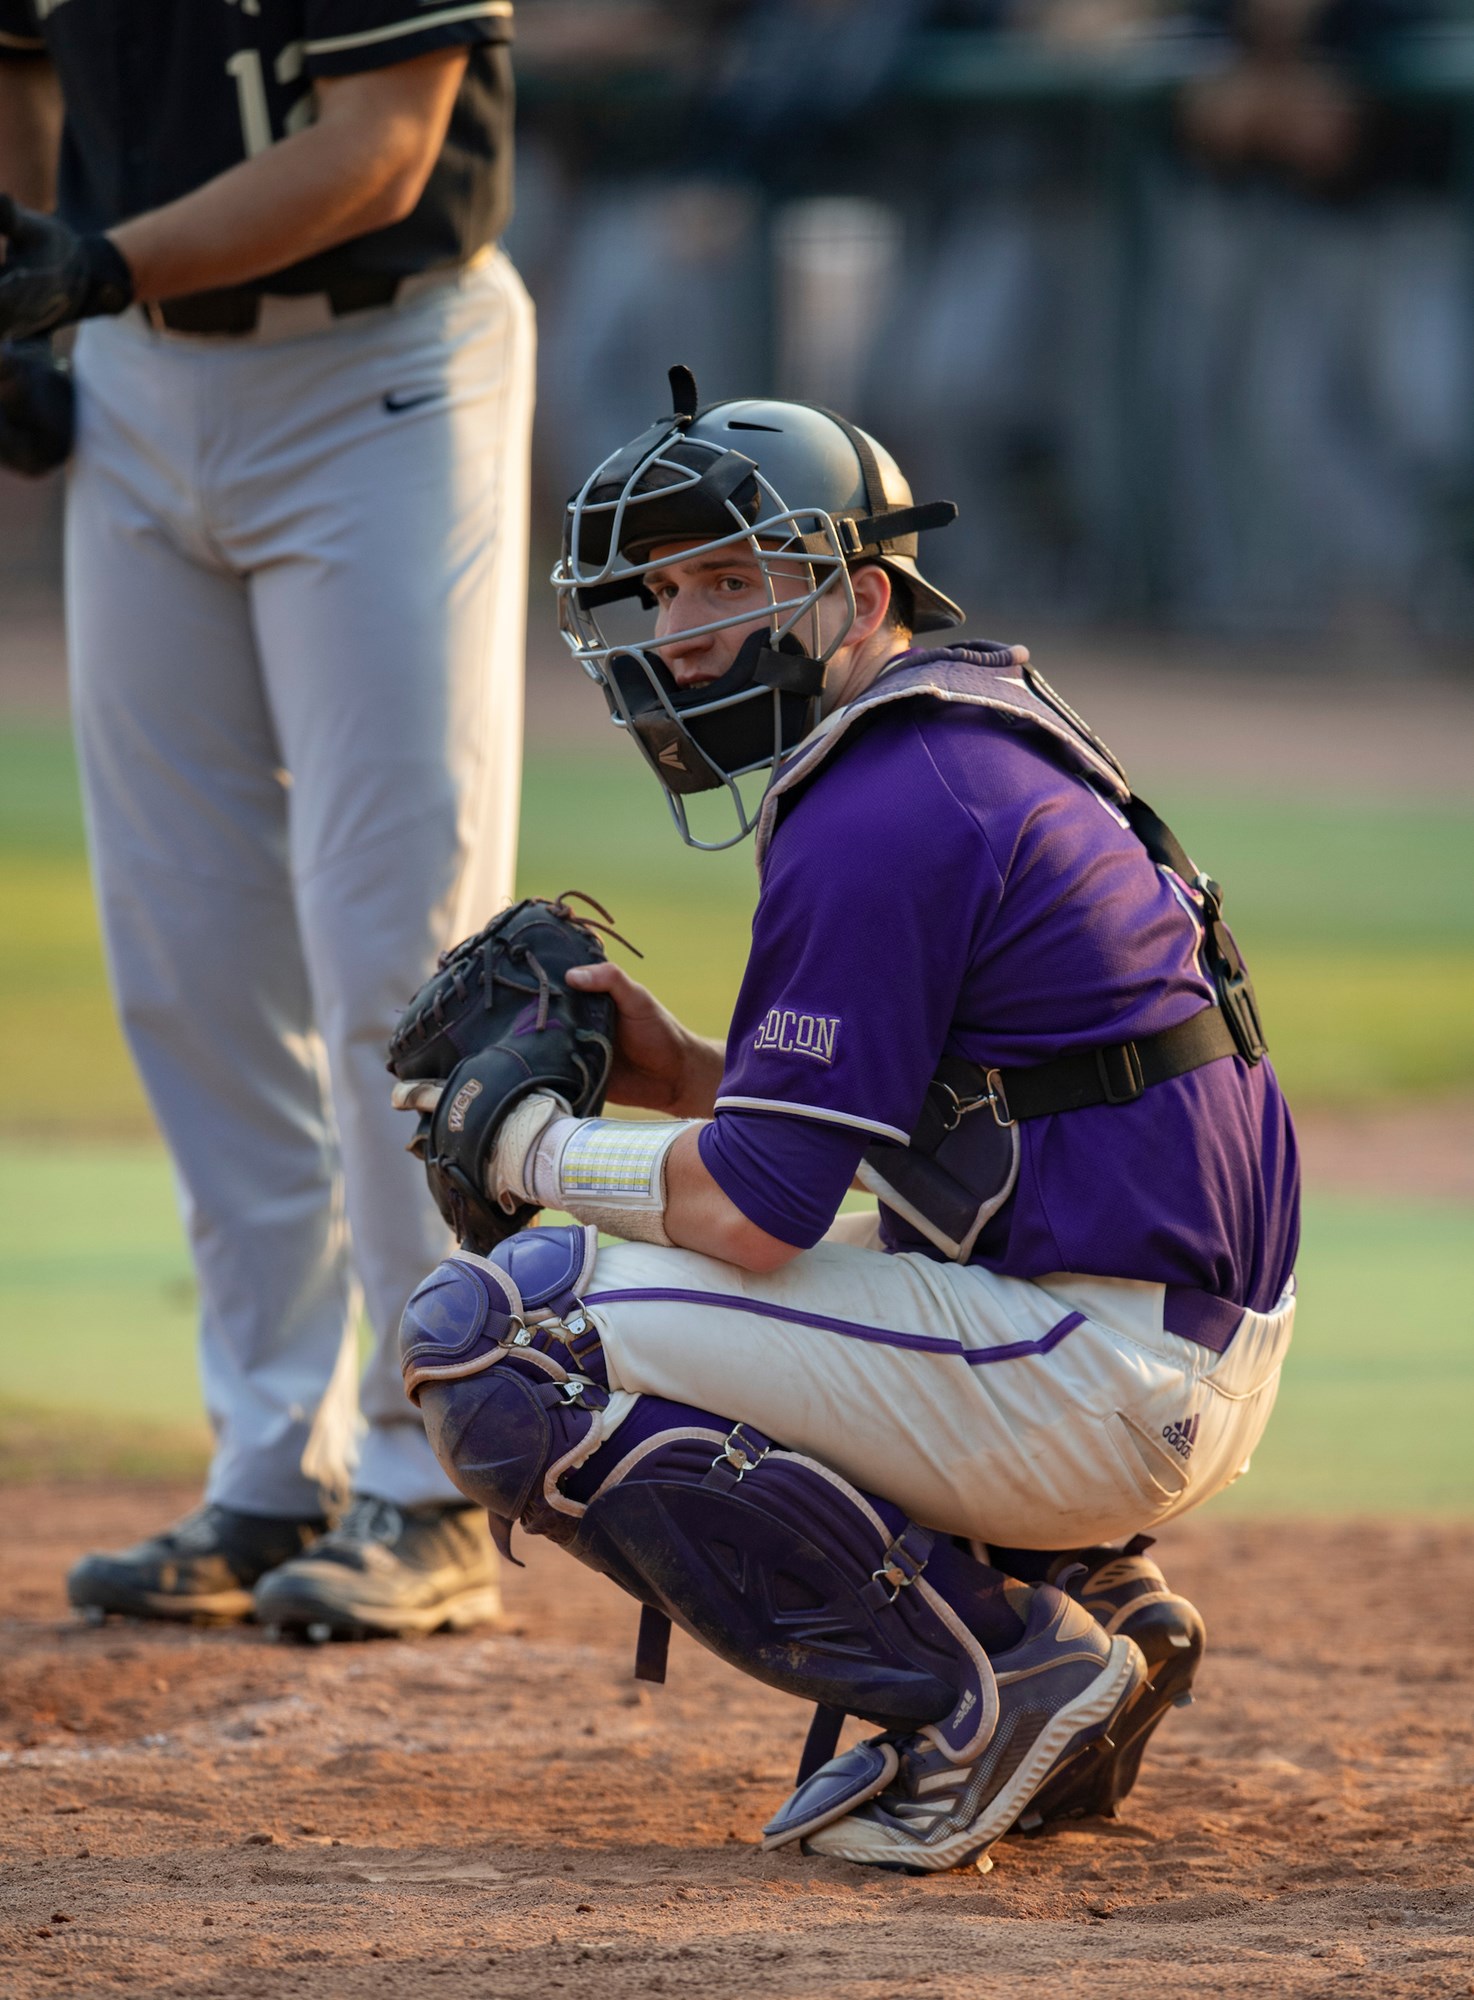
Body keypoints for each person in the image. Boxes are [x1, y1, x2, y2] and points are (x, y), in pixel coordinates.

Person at [404, 368, 1299, 1870]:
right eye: (663, 589)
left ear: (858, 591)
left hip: (1089, 1371)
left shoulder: (884, 802)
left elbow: (757, 1213)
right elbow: (896, 1113)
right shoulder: (961, 739)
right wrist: (681, 1067)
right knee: (663, 1281)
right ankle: (1095, 1605)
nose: (685, 629)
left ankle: (995, 1667)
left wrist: (526, 1151)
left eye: (732, 581)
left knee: (500, 1337)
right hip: (1142, 1344)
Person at [0, 2, 535, 1638]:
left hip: (381, 365)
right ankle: (265, 1465)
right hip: (147, 387)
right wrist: (31, 319)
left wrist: (91, 270)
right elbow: (26, 70)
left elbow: (381, 144)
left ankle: (437, 1468)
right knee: (186, 952)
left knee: (403, 951)